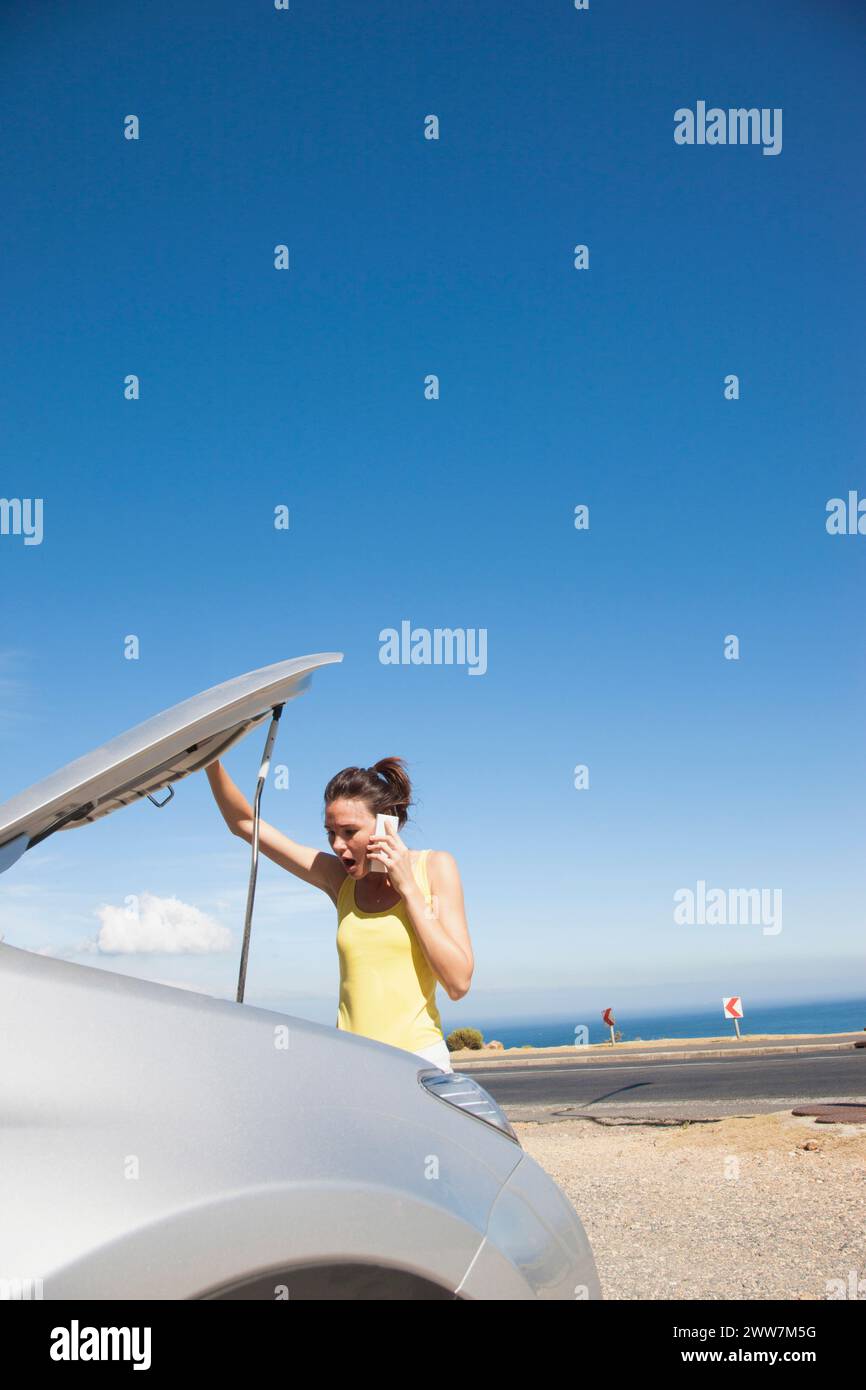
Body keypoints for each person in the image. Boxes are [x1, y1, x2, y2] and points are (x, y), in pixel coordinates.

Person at [205, 754, 473, 1072]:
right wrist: (211, 760)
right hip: (351, 1065)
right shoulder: (338, 879)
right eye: (330, 832)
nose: (337, 845)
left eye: (349, 831)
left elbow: (458, 982)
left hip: (419, 1064)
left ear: (386, 823)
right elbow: (245, 824)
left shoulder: (435, 867)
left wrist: (409, 891)